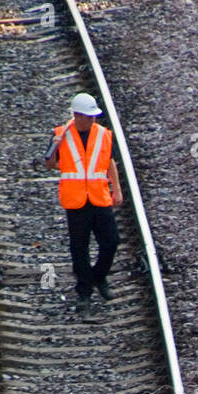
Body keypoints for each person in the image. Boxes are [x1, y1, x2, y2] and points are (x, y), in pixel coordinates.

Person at [45, 92, 123, 315]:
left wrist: (116, 189)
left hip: (99, 198)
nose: (92, 120)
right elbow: (49, 165)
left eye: (93, 117)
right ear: (77, 116)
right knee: (79, 249)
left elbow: (109, 162)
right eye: (88, 117)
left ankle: (98, 277)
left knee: (112, 241)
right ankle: (84, 294)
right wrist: (55, 146)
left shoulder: (104, 135)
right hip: (76, 201)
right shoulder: (61, 135)